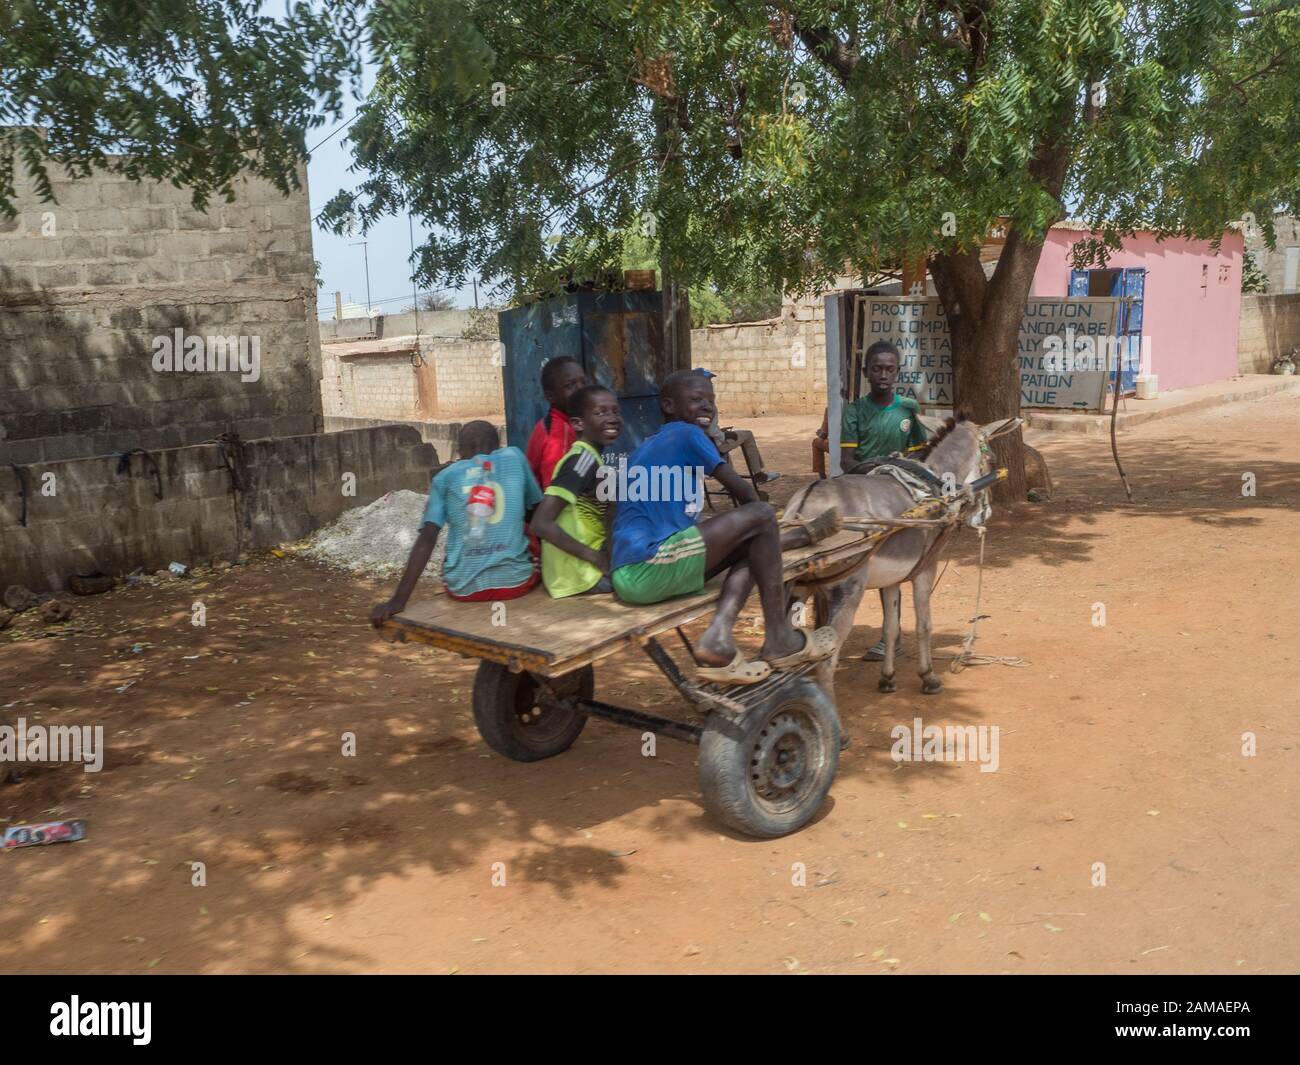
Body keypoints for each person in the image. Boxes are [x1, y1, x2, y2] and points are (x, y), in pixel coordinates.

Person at [608, 370, 842, 685]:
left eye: (711, 401)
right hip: (649, 564)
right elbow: (744, 494)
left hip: (635, 571)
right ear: (668, 405)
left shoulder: (648, 445)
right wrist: (769, 521)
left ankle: (718, 638)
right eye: (695, 400)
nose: (707, 406)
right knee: (760, 516)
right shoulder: (687, 434)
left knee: (752, 543)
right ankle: (780, 637)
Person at [370, 421, 542, 626]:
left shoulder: (445, 477)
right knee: (525, 523)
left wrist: (397, 601)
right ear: (498, 446)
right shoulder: (515, 457)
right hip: (516, 584)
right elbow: (538, 509)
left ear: (460, 451)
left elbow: (428, 538)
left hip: (463, 588)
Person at [838, 340, 931, 660]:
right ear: (866, 372)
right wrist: (879, 467)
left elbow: (921, 458)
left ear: (897, 372)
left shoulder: (908, 409)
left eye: (890, 369)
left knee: (894, 559)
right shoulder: (855, 411)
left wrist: (902, 471)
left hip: (901, 496)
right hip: (862, 492)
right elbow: (846, 463)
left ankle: (891, 634)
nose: (883, 375)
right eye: (876, 369)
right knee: (849, 558)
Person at [530, 384, 622, 598]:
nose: (612, 418)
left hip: (579, 572)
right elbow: (540, 523)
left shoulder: (592, 458)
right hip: (581, 575)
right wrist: (596, 558)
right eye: (600, 413)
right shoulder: (582, 460)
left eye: (616, 411)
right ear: (578, 424)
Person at [525, 356, 590, 490]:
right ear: (551, 396)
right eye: (570, 385)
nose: (581, 390)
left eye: (584, 382)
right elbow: (556, 494)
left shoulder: (562, 422)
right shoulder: (559, 436)